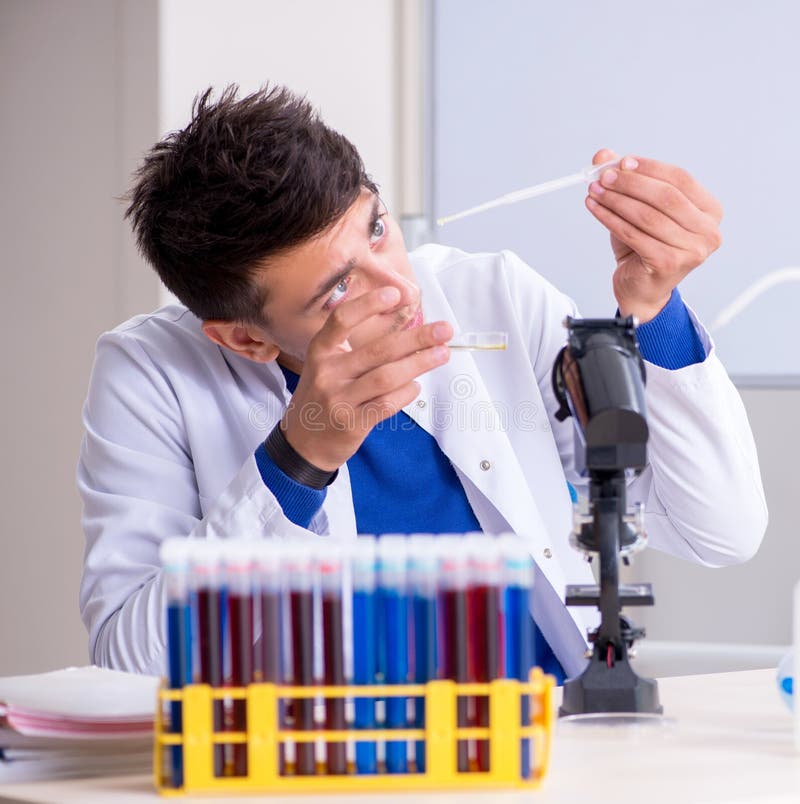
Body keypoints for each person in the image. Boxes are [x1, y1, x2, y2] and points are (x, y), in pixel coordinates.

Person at [78, 84, 767, 679]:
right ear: (245, 338)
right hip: (330, 761)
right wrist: (300, 457)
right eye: (338, 287)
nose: (402, 291)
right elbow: (130, 665)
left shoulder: (493, 296)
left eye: (376, 229)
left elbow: (718, 531)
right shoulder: (153, 373)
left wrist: (654, 309)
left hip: (546, 737)